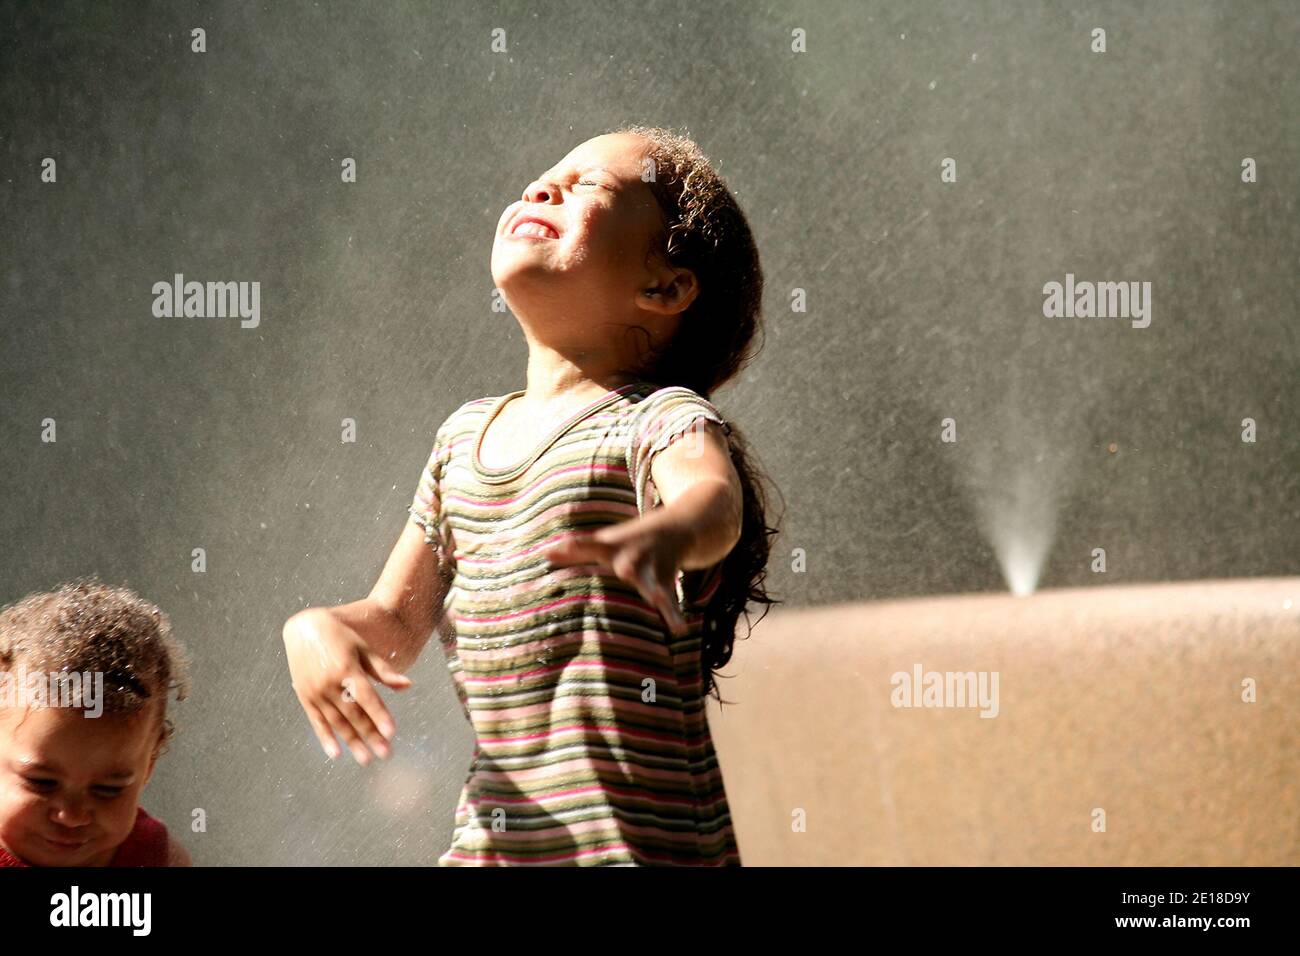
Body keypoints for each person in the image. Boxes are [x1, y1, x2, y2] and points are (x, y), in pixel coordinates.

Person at [284, 126, 780, 865]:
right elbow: (395, 619)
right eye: (543, 176)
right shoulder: (462, 441)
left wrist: (672, 532)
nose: (540, 187)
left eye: (590, 187)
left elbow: (714, 501)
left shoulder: (657, 418)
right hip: (495, 845)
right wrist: (317, 630)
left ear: (666, 286)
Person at [0, 578, 193, 866]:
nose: (72, 816)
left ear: (148, 767)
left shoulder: (154, 856)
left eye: (108, 790)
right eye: (42, 782)